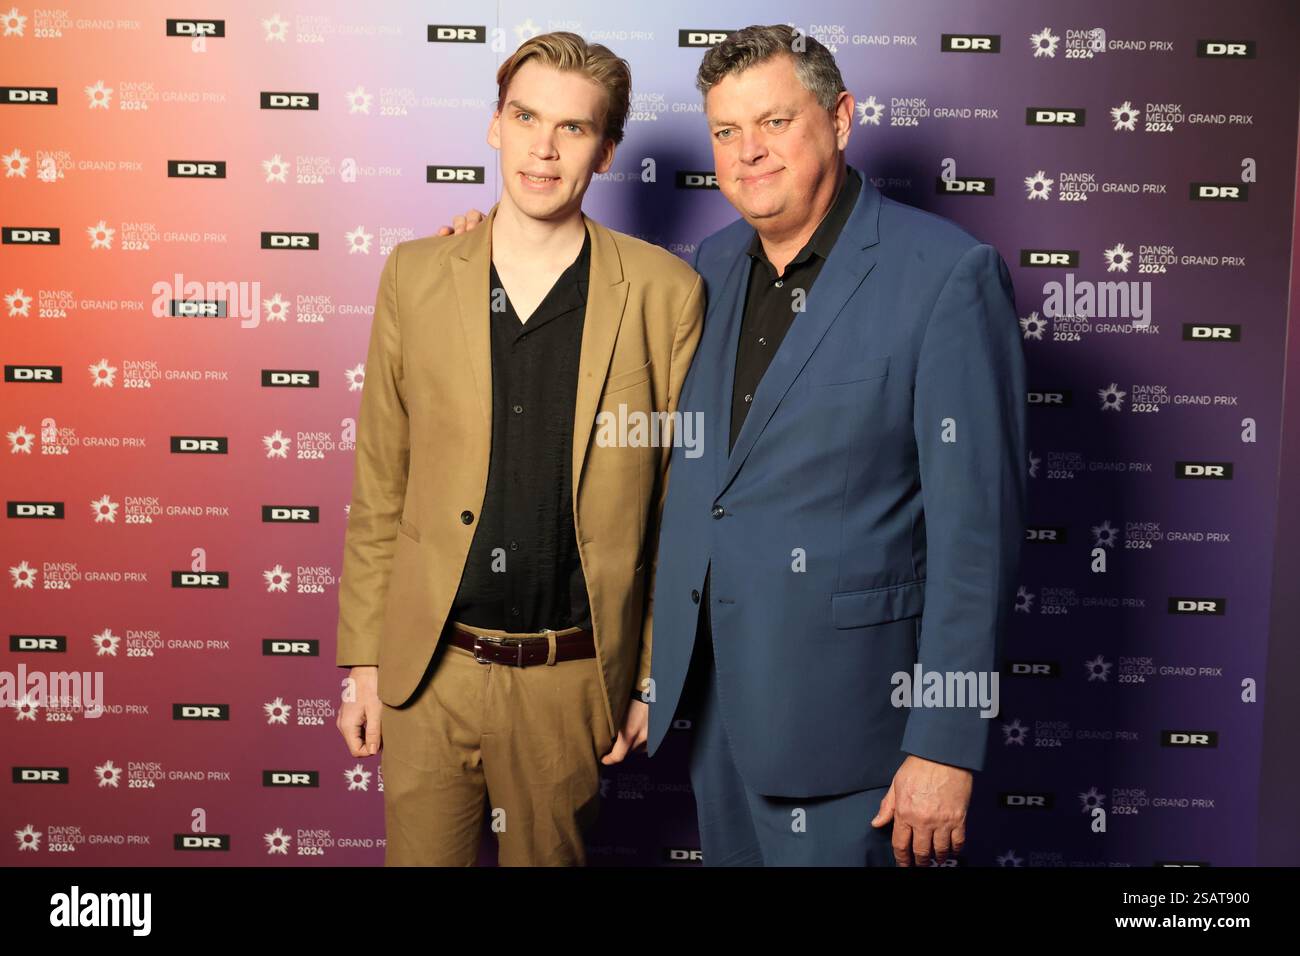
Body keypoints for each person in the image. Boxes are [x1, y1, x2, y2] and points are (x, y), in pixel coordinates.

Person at [440, 23, 1027, 868]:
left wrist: (945, 744)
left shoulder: (945, 275)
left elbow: (979, 538)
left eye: (776, 123)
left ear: (842, 118)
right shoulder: (707, 268)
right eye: (725, 132)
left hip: (858, 735)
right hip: (716, 716)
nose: (748, 153)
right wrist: (482, 252)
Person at [334, 31, 704, 866]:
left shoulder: (663, 293)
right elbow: (380, 483)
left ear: (606, 151)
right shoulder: (416, 275)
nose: (543, 146)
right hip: (429, 671)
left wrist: (650, 672)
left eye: (573, 129)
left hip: (569, 678)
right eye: (525, 116)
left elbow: (679, 506)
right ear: (495, 124)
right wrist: (362, 659)